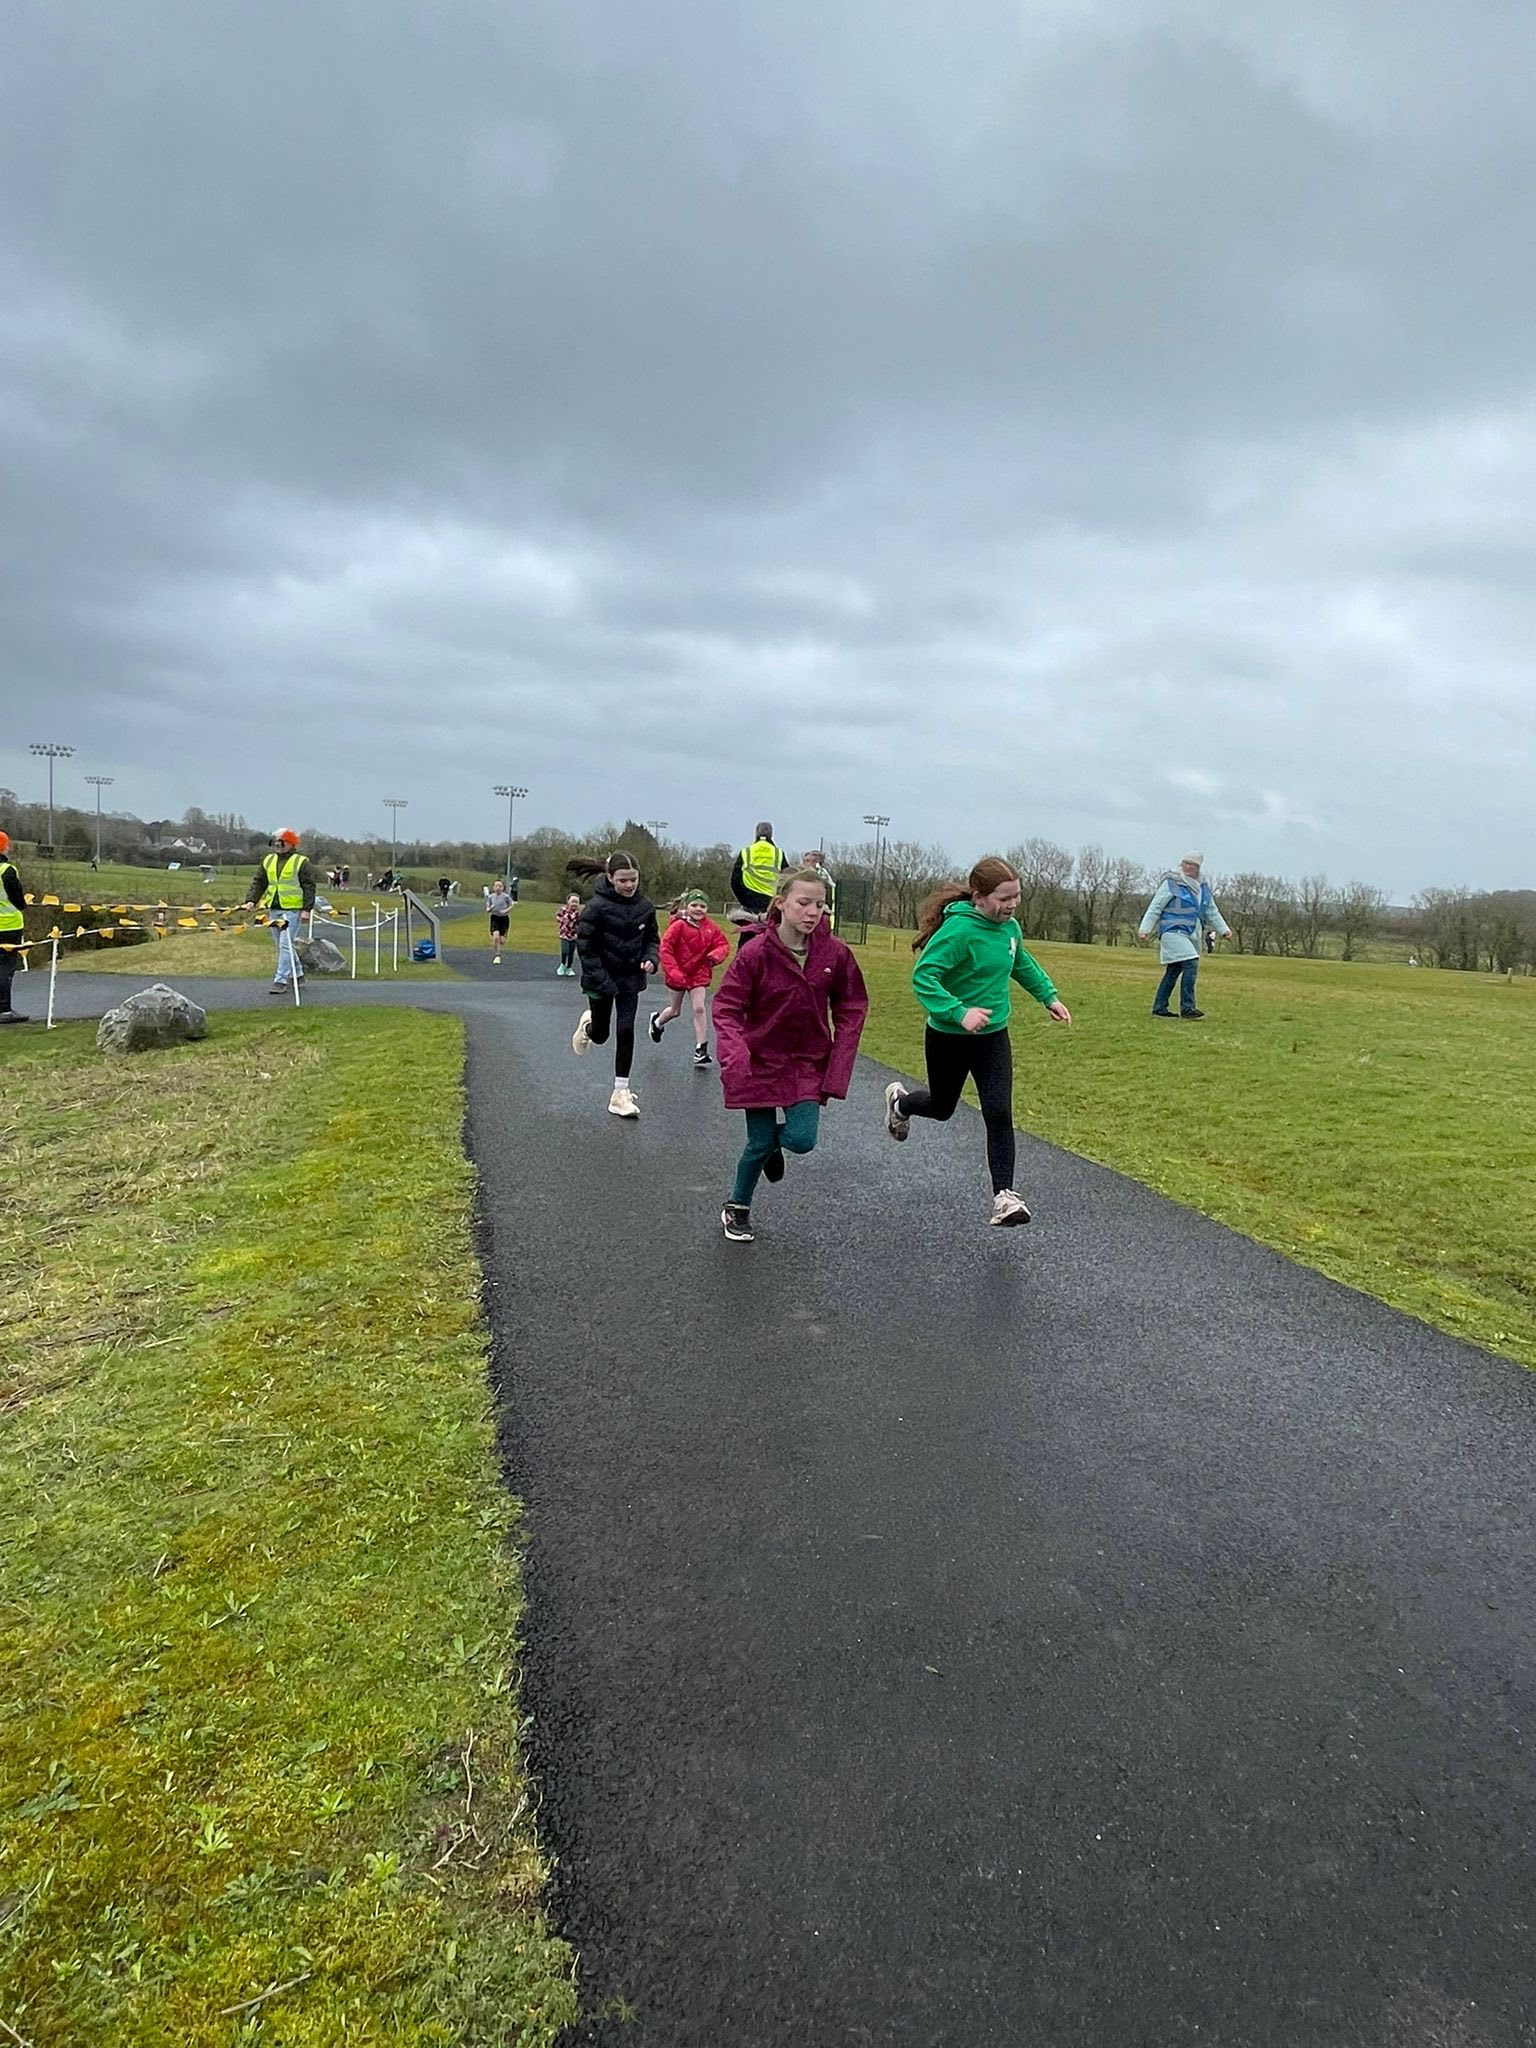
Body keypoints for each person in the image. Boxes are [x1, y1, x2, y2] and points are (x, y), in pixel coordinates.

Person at [882, 855, 1071, 1228]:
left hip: (992, 1036)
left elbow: (1021, 964)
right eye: (1004, 898)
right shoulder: (958, 932)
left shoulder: (1010, 929)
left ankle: (1005, 1196)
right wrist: (959, 1011)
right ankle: (900, 1103)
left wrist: (1048, 996)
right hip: (948, 1036)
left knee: (998, 1112)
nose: (1012, 904)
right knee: (941, 1107)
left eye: (1017, 896)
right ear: (980, 897)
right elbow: (924, 978)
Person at [713, 868, 869, 1243]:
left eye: (820, 904)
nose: (813, 912)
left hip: (806, 1061)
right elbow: (727, 1007)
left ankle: (771, 1149)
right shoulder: (755, 953)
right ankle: (737, 1207)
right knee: (758, 1141)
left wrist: (839, 1061)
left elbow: (852, 1005)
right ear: (780, 904)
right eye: (804, 903)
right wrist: (735, 1056)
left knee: (802, 1138)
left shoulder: (835, 954)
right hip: (759, 1060)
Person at [569, 853, 660, 1119]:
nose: (629, 885)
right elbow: (585, 948)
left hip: (630, 979)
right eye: (623, 880)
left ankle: (620, 1093)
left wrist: (650, 958)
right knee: (601, 1035)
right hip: (600, 980)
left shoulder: (645, 907)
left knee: (626, 1029)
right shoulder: (596, 908)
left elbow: (652, 939)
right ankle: (588, 1026)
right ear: (610, 878)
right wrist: (603, 980)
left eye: (633, 879)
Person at [1136, 853, 1231, 1019]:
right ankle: (1187, 1008)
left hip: (1191, 934)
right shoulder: (1171, 883)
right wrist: (1145, 928)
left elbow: (1211, 911)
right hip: (1172, 931)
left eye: (1191, 865)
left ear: (1198, 868)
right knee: (1191, 963)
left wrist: (1224, 930)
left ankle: (1159, 1007)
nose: (1187, 867)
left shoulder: (1203, 888)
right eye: (1185, 863)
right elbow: (1156, 906)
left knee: (1174, 970)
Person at [650, 889, 730, 1068]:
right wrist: (674, 972)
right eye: (694, 905)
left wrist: (715, 956)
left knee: (699, 1008)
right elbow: (666, 949)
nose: (698, 909)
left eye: (702, 906)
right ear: (687, 907)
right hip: (678, 974)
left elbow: (723, 944)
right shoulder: (678, 926)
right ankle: (657, 1022)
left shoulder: (711, 927)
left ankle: (701, 1049)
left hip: (699, 974)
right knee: (675, 1010)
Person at [245, 829, 316, 994]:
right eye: (276, 841)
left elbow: (309, 886)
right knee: (284, 946)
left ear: (290, 843)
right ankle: (298, 974)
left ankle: (280, 980)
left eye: (281, 841)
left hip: (292, 910)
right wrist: (251, 900)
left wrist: (307, 909)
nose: (277, 844)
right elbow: (259, 882)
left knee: (285, 944)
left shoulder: (301, 862)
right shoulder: (268, 860)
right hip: (274, 908)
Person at [730, 820, 791, 944]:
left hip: (749, 903)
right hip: (771, 903)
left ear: (756, 834)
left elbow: (735, 880)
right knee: (770, 942)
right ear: (771, 835)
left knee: (747, 943)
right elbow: (788, 879)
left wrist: (745, 900)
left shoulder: (746, 852)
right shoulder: (778, 853)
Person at [0, 831, 30, 1025]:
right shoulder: (7, 870)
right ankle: (4, 1009)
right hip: (9, 925)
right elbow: (18, 899)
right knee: (5, 968)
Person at [801, 849, 837, 930]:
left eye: (810, 861)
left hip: (822, 911)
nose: (806, 864)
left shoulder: (820, 876)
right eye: (805, 861)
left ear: (818, 863)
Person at [555, 893, 581, 976]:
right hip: (564, 934)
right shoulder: (563, 910)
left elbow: (580, 923)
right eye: (573, 901)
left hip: (573, 935)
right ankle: (562, 964)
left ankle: (569, 968)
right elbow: (558, 916)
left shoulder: (578, 913)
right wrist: (561, 922)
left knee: (571, 953)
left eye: (576, 902)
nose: (574, 904)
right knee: (565, 951)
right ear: (568, 902)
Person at [487, 880, 512, 964]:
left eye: (500, 886)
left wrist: (506, 910)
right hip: (494, 918)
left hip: (504, 919)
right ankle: (497, 956)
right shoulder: (490, 897)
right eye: (496, 886)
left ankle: (500, 941)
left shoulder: (506, 897)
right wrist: (490, 908)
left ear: (503, 888)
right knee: (496, 937)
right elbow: (487, 909)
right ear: (493, 888)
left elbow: (511, 905)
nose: (498, 888)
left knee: (502, 941)